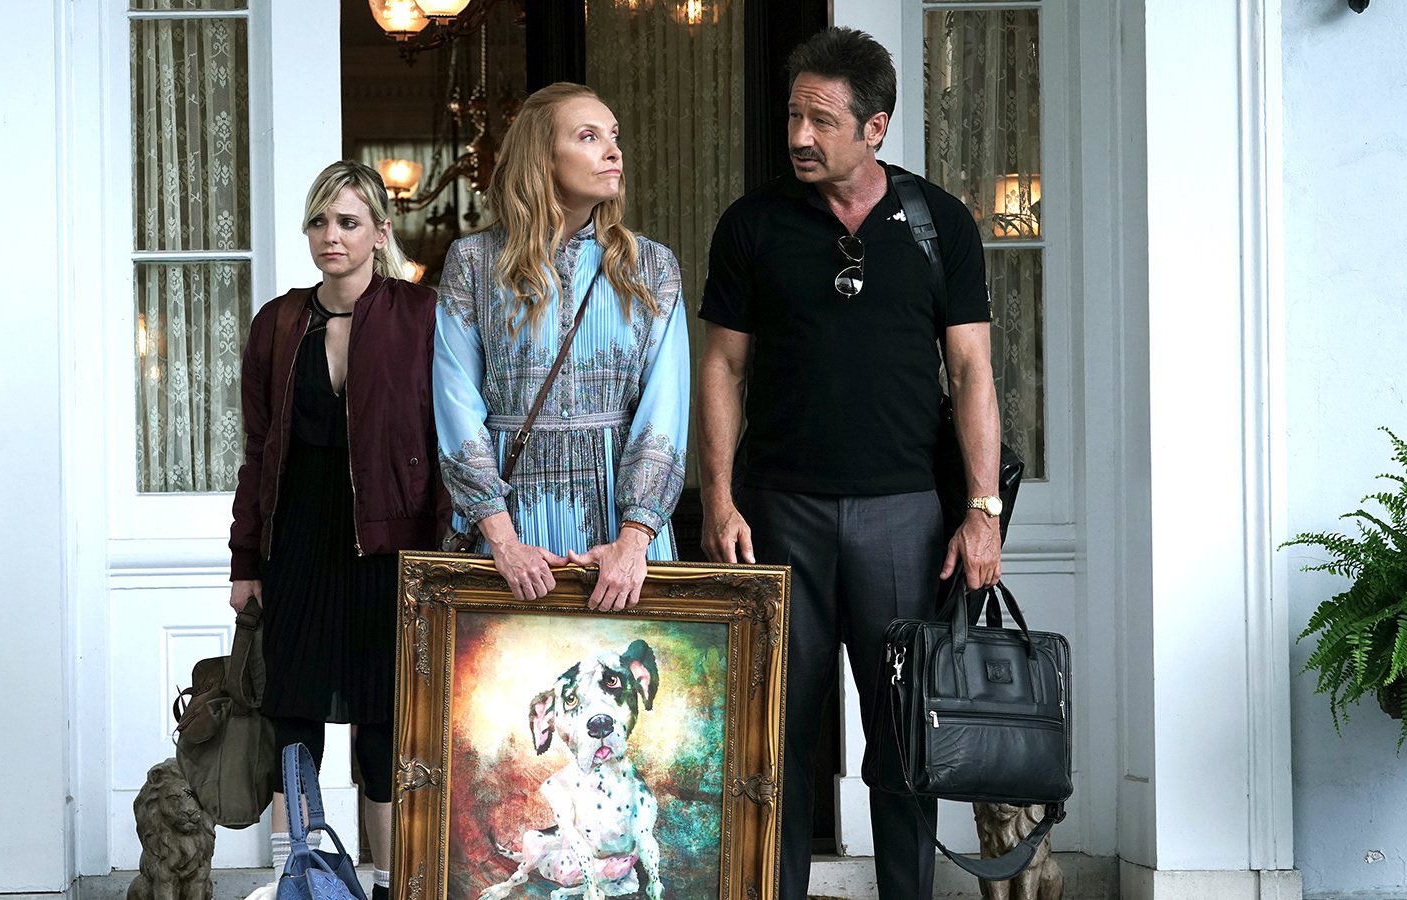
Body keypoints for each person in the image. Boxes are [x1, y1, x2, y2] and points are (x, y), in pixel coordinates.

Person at [696, 27, 1003, 900]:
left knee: (903, 737)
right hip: (778, 512)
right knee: (776, 738)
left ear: (876, 127)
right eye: (794, 116)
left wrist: (982, 509)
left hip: (905, 517)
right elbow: (721, 368)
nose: (799, 136)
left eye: (822, 121)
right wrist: (718, 499)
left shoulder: (939, 223)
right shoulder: (753, 224)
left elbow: (973, 372)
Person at [227, 160, 448, 900]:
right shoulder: (279, 322)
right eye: (320, 221)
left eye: (348, 222)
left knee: (383, 721)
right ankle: (302, 878)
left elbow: (447, 440)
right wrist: (246, 561)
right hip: (297, 544)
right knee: (292, 715)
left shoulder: (421, 314)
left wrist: (443, 554)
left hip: (388, 547)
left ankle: (386, 885)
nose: (332, 235)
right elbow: (258, 450)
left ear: (380, 232)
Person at [433, 82, 690, 610]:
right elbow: (455, 403)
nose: (613, 151)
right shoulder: (474, 262)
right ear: (542, 159)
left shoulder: (651, 266)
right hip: (510, 526)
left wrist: (633, 540)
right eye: (589, 137)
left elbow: (665, 406)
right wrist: (502, 541)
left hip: (624, 528)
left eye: (614, 136)